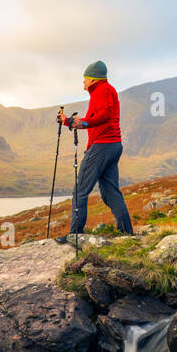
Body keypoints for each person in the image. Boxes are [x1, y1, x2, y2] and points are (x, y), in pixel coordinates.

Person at [56, 60, 133, 242]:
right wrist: (69, 121)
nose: (83, 82)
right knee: (110, 192)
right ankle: (127, 234)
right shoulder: (105, 91)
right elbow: (94, 120)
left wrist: (84, 122)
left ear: (92, 79)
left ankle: (75, 235)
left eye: (85, 78)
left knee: (80, 191)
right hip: (113, 145)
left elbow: (104, 115)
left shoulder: (102, 90)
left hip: (101, 147)